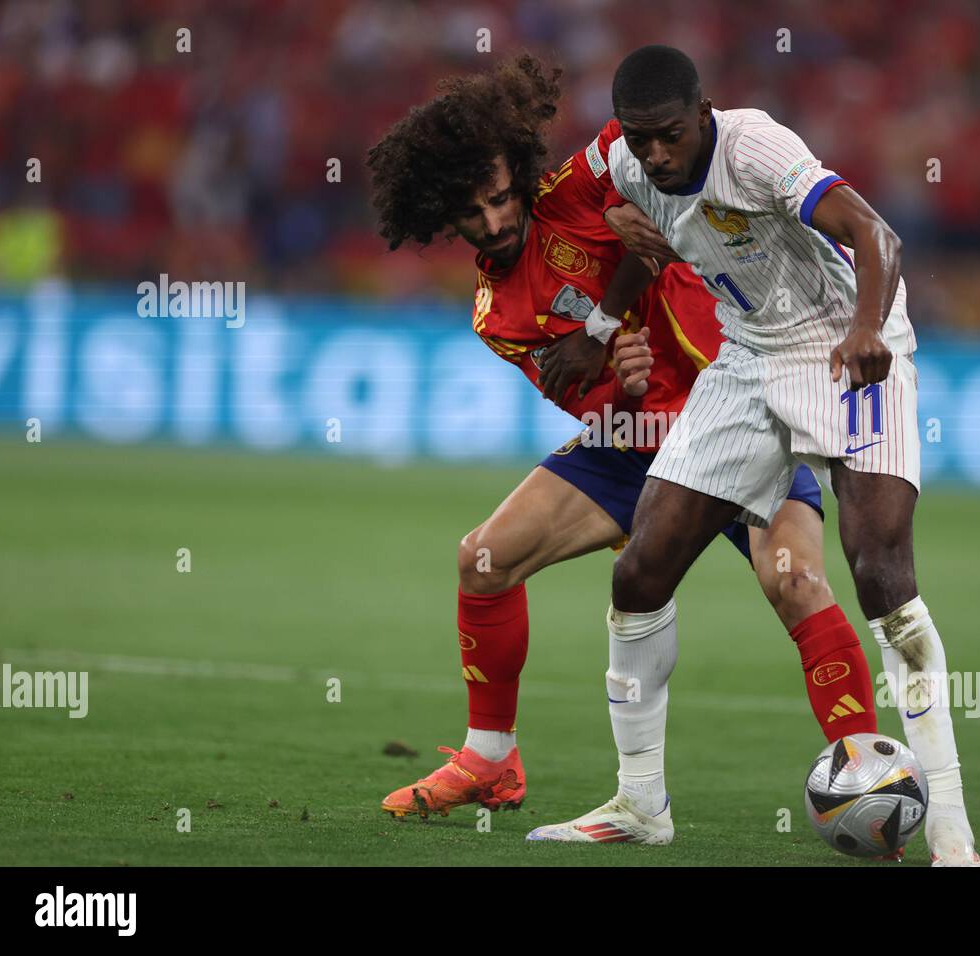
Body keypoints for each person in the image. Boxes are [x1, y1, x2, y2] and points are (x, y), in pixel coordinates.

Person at [365, 54, 879, 833]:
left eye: (502, 198)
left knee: (797, 582)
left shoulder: (578, 189)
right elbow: (583, 400)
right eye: (473, 215)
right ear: (444, 218)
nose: (497, 222)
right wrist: (617, 386)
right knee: (483, 559)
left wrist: (607, 316)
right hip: (635, 441)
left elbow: (650, 170)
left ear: (519, 177)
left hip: (735, 405)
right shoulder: (496, 313)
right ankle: (490, 756)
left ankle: (867, 779)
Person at [526, 46, 980, 866]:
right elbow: (647, 249)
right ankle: (639, 804)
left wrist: (870, 327)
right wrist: (600, 330)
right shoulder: (635, 171)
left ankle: (949, 831)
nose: (654, 154)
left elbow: (877, 233)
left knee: (880, 573)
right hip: (744, 359)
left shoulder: (755, 146)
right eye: (639, 139)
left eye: (667, 136)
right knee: (640, 570)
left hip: (848, 346)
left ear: (702, 112)